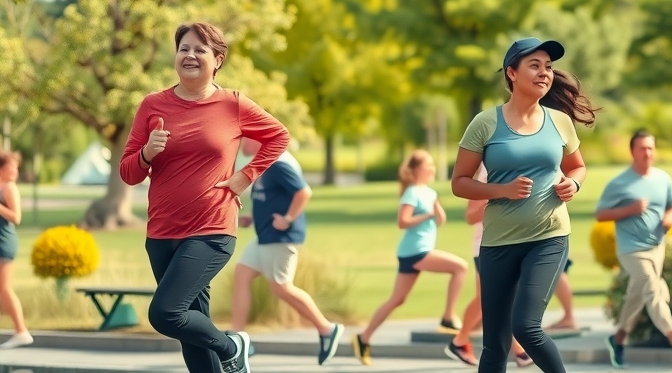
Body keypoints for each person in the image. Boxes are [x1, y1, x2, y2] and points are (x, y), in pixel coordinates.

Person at [121, 22, 290, 373]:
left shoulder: (234, 104)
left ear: (218, 59)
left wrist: (245, 177)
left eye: (200, 50)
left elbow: (279, 136)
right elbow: (128, 172)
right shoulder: (152, 105)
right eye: (184, 48)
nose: (190, 55)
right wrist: (146, 154)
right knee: (191, 330)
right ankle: (224, 353)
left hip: (211, 230)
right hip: (162, 234)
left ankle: (232, 345)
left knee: (166, 313)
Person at [452, 36, 596, 373]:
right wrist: (501, 190)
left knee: (526, 327)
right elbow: (459, 182)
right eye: (535, 65)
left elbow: (578, 165)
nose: (545, 73)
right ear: (512, 73)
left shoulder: (559, 121)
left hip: (548, 238)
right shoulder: (485, 124)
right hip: (498, 244)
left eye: (548, 67)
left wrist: (572, 183)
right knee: (494, 346)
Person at [231, 141, 344, 365]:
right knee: (242, 274)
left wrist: (288, 219)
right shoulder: (264, 162)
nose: (242, 141)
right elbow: (272, 198)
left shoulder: (278, 163)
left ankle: (327, 329)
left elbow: (303, 192)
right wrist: (254, 218)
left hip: (281, 237)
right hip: (264, 235)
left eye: (246, 136)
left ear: (259, 138)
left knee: (281, 287)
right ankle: (239, 339)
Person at [598, 130, 672, 369]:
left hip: (657, 247)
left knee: (637, 295)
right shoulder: (619, 183)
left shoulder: (662, 178)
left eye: (651, 148)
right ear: (632, 151)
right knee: (652, 288)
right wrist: (630, 209)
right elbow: (601, 214)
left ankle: (618, 339)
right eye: (642, 148)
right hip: (631, 250)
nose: (647, 153)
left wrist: (669, 218)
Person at [353, 150, 467, 365]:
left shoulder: (429, 192)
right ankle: (449, 317)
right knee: (459, 268)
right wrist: (428, 214)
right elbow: (403, 221)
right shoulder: (411, 193)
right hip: (415, 250)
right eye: (428, 165)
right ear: (416, 170)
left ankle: (363, 338)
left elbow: (440, 221)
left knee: (397, 299)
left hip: (415, 251)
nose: (432, 168)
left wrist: (436, 211)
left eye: (433, 165)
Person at [445, 164, 533, 368]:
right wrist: (500, 196)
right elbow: (470, 216)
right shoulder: (487, 171)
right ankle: (460, 341)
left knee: (500, 297)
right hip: (486, 245)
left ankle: (517, 350)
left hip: (508, 242)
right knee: (490, 299)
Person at [0, 150, 31, 350]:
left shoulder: (9, 188)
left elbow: (16, 217)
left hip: (5, 242)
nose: (15, 170)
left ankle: (21, 331)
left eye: (16, 167)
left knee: (4, 288)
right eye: (11, 166)